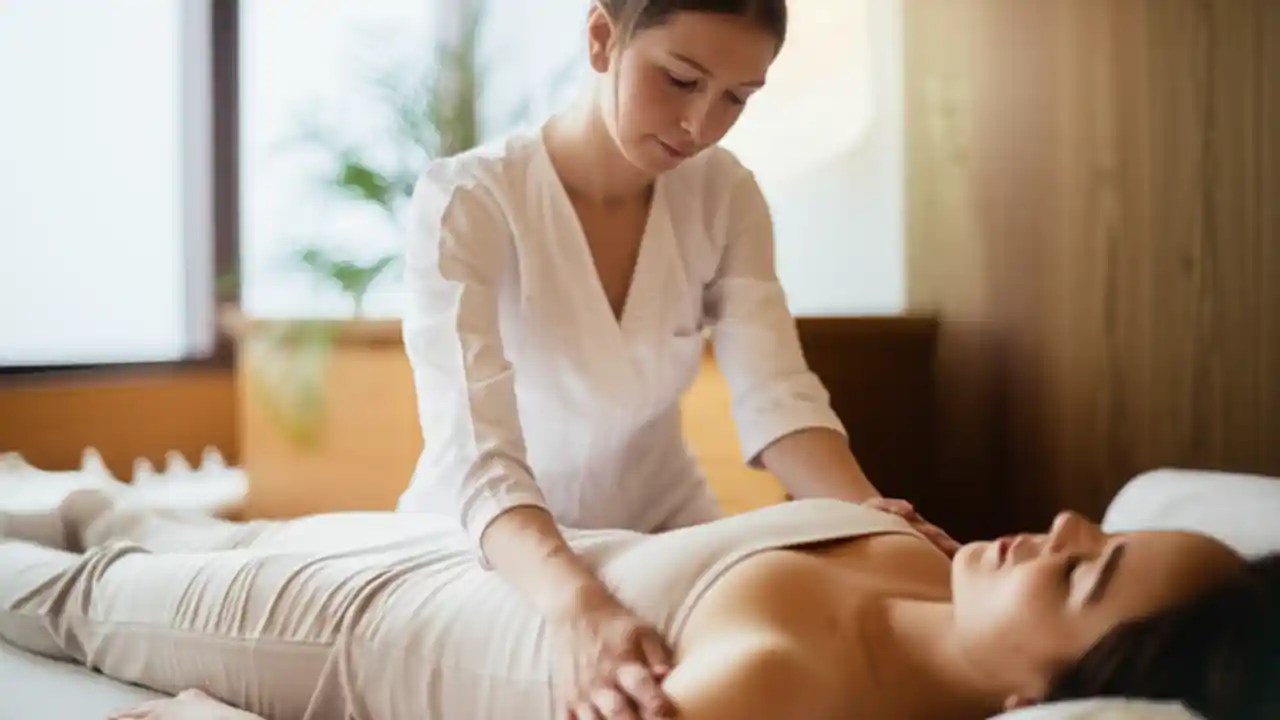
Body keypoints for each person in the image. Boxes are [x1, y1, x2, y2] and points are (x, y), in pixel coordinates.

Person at [400, 1, 958, 713]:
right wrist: (573, 602)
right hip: (499, 550)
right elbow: (474, 448)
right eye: (680, 79)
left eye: (737, 98)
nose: (702, 124)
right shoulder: (470, 200)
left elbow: (778, 395)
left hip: (666, 527)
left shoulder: (725, 195)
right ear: (603, 38)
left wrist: (871, 516)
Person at [1, 490, 1275, 720]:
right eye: (1093, 529)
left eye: (1083, 571)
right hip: (451, 548)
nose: (1057, 529)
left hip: (339, 632)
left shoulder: (776, 695)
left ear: (1034, 700)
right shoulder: (916, 550)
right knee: (122, 513)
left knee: (74, 590)